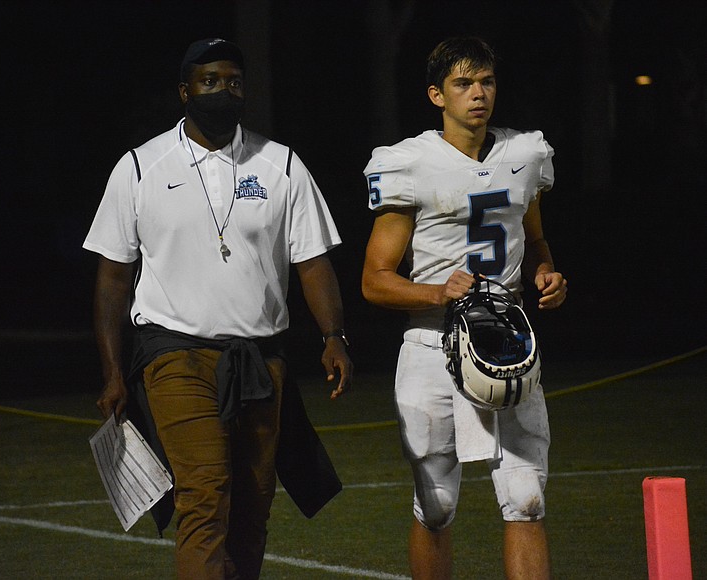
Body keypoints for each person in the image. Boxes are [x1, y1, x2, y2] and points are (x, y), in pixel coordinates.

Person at [83, 38, 353, 579]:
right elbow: (113, 279)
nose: (222, 91)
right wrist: (113, 373)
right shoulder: (139, 167)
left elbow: (313, 263)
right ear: (185, 91)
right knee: (205, 495)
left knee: (253, 506)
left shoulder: (282, 165)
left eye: (233, 81)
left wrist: (333, 335)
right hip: (174, 355)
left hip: (260, 360)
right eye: (209, 82)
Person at [361, 36, 567, 580]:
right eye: (463, 84)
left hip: (509, 341)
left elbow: (537, 241)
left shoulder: (525, 154)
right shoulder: (410, 163)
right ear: (436, 95)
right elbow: (374, 281)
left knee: (526, 499)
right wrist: (435, 292)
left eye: (487, 82)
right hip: (432, 342)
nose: (478, 94)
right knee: (437, 506)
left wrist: (546, 274)